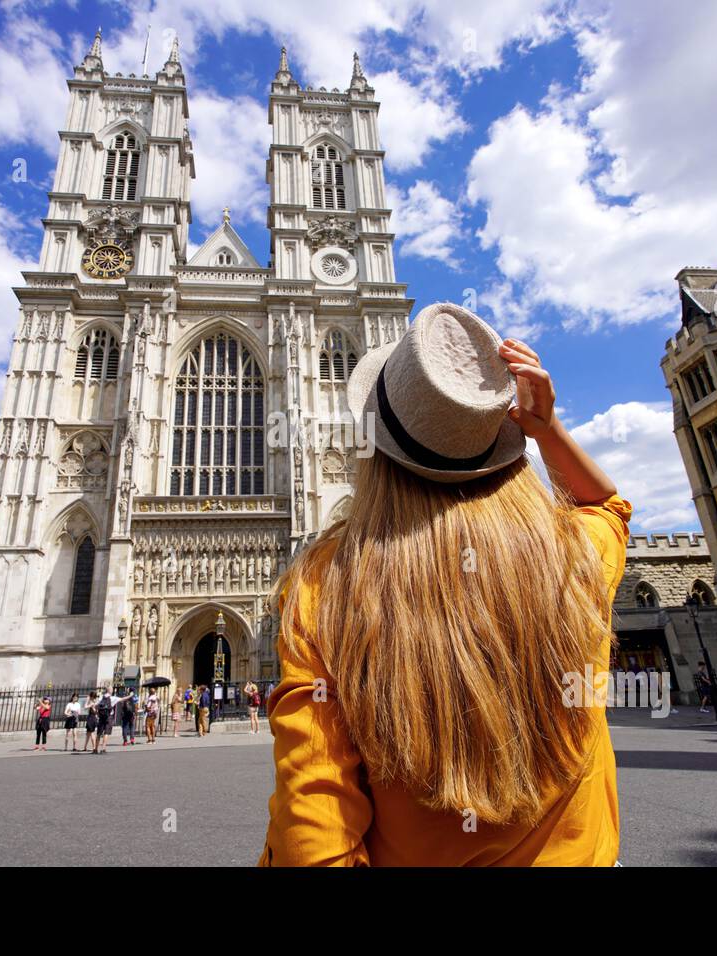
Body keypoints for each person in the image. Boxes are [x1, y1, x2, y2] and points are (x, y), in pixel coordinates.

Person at [260, 305, 630, 866]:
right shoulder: (573, 558)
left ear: (375, 450)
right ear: (500, 447)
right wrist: (545, 427)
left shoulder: (325, 587)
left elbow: (315, 834)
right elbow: (607, 506)